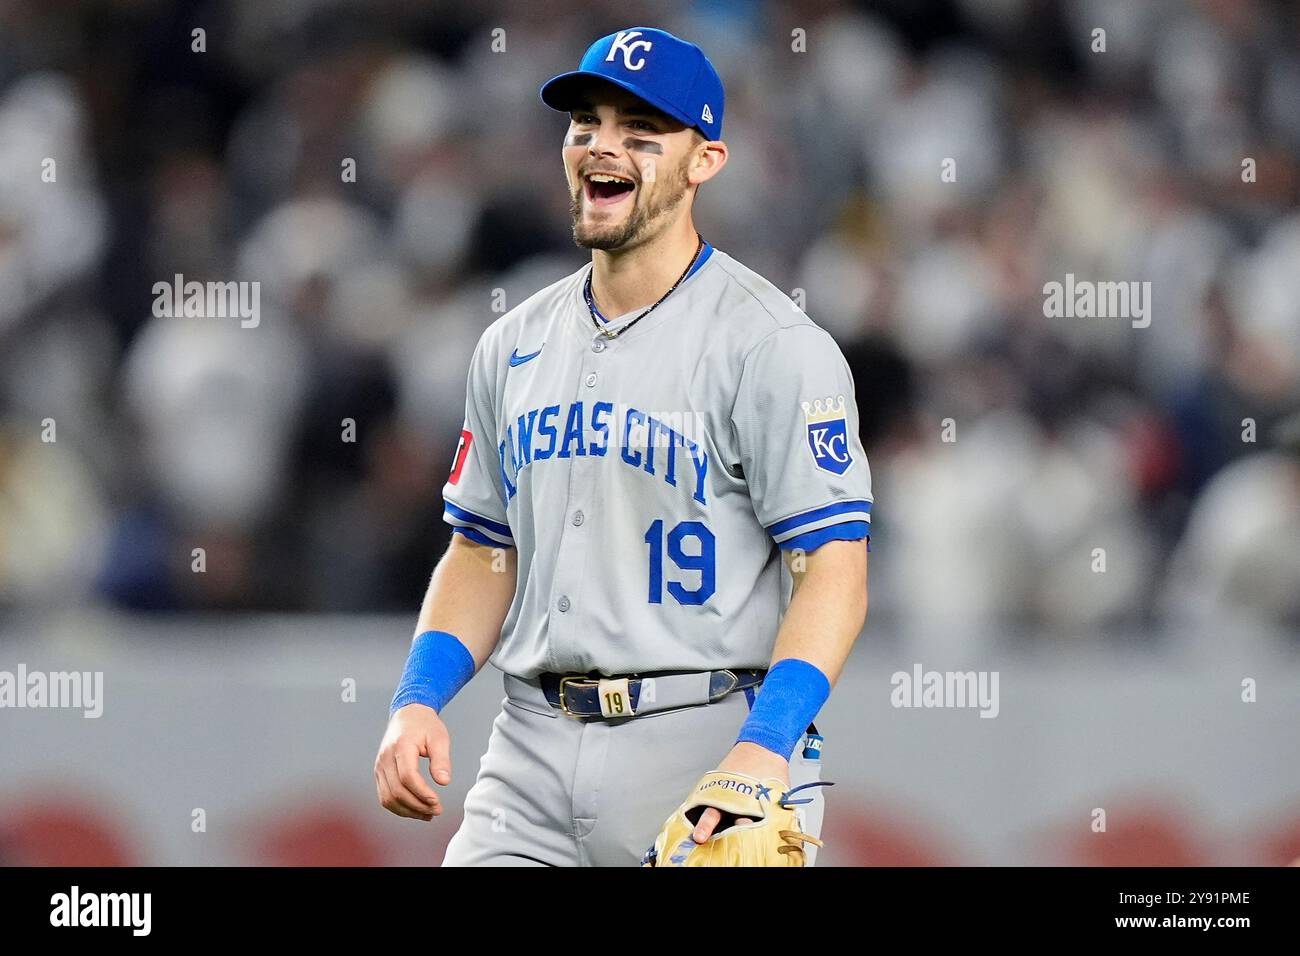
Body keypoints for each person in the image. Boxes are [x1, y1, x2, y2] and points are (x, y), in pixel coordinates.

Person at [374, 27, 872, 866]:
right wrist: (417, 699)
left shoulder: (773, 345)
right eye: (587, 125)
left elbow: (833, 567)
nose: (603, 145)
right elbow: (481, 550)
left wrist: (762, 748)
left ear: (704, 161)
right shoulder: (512, 344)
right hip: (529, 745)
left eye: (642, 132)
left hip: (706, 737)